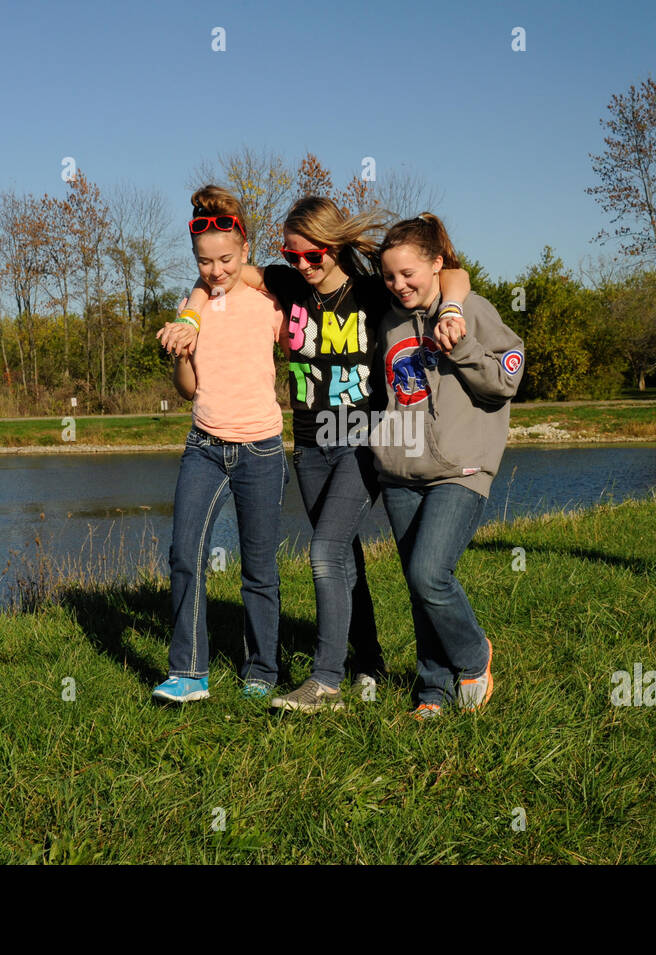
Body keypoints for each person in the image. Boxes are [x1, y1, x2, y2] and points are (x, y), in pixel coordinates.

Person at [163, 196, 471, 713]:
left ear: (334, 247)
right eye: (292, 254)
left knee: (324, 551)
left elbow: (454, 277)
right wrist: (191, 318)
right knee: (344, 559)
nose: (302, 265)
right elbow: (219, 276)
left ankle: (325, 681)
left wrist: (455, 308)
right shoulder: (285, 283)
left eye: (313, 255)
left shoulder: (372, 292)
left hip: (360, 440)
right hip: (309, 446)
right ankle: (368, 662)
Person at [370, 214, 524, 720]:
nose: (399, 285)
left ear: (437, 265)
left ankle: (474, 657)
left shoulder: (473, 310)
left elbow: (505, 381)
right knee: (418, 586)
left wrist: (460, 345)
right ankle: (431, 689)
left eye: (409, 274)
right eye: (390, 276)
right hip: (399, 471)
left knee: (430, 572)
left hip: (461, 469)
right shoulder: (389, 318)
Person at [150, 185, 287, 703]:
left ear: (245, 251)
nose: (215, 270)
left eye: (225, 258)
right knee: (185, 553)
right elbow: (189, 389)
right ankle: (188, 672)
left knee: (259, 567)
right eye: (204, 262)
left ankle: (262, 670)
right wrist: (181, 352)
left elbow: (302, 346)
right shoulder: (194, 306)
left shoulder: (270, 299)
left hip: (261, 449)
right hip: (204, 444)